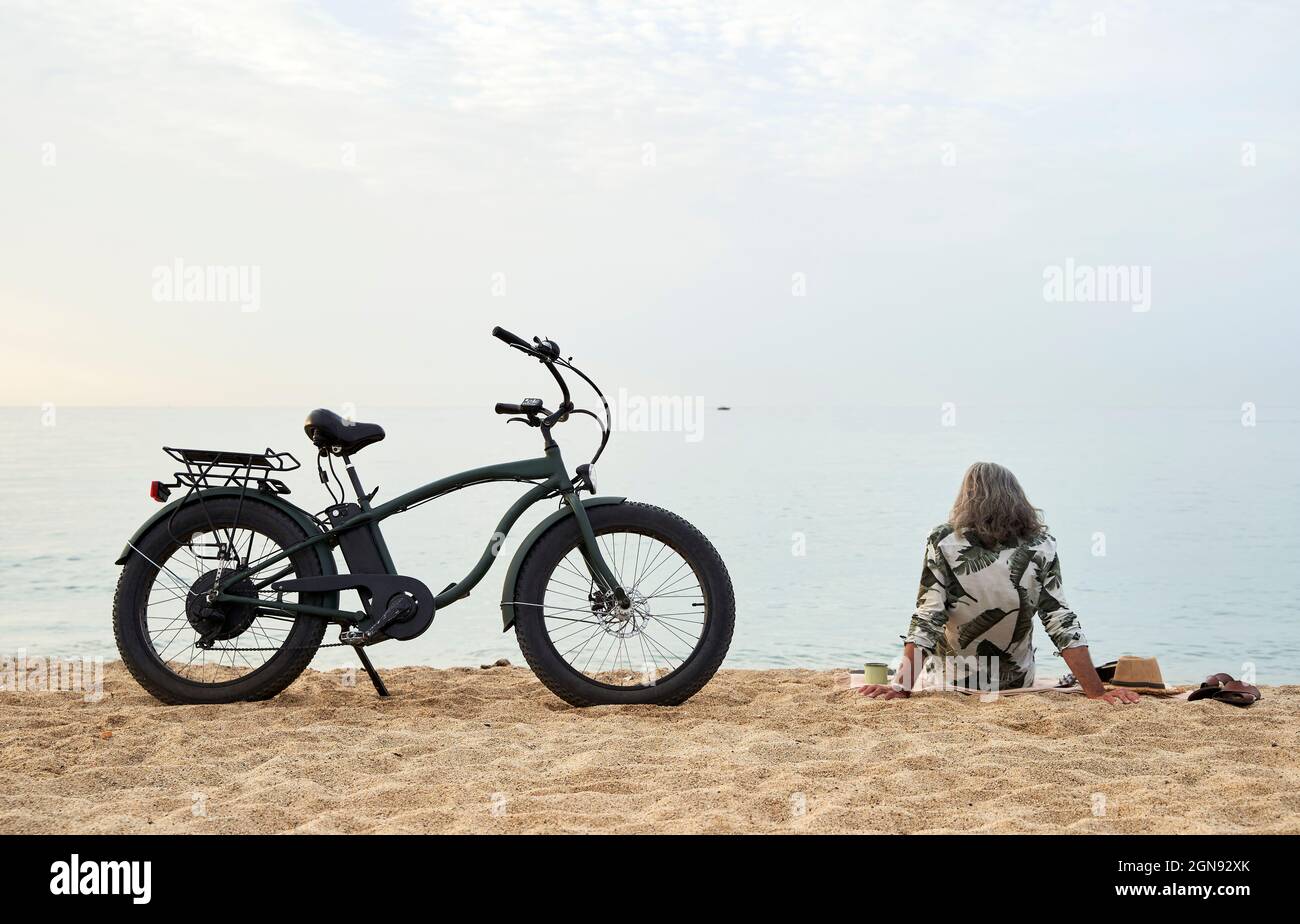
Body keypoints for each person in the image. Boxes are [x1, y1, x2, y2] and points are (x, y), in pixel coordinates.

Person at [860, 462, 1138, 705]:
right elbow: (1059, 619)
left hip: (951, 681)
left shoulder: (944, 540)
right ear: (1017, 498)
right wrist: (1096, 692)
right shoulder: (1042, 545)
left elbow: (929, 616)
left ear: (966, 498)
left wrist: (900, 688)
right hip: (1015, 683)